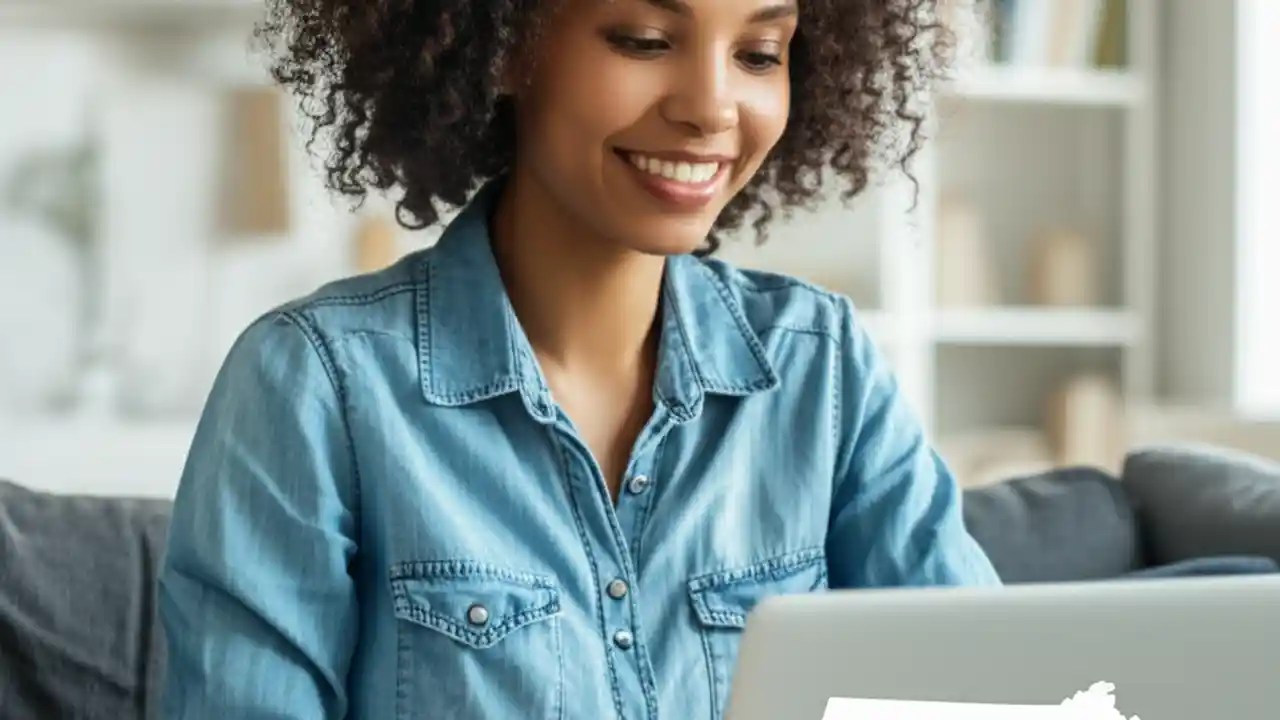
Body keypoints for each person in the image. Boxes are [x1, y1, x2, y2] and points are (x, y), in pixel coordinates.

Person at [158, 0, 1000, 718]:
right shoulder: (316, 385)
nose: (712, 107)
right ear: (506, 46)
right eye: (642, 39)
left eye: (758, 53)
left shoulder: (824, 370)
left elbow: (990, 682)